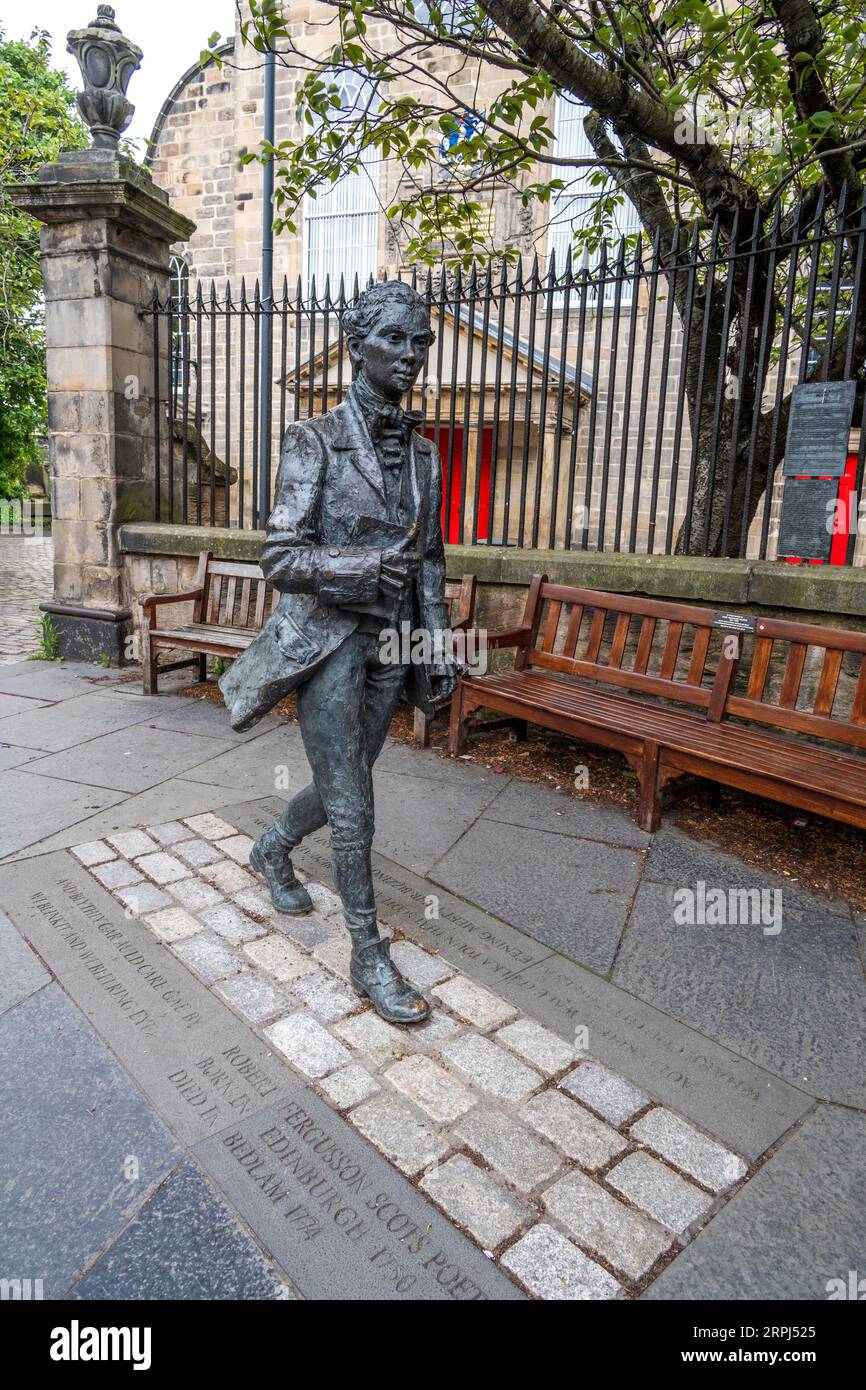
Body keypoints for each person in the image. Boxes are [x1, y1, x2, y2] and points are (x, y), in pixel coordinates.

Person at [220, 280, 455, 1024]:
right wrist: (354, 569)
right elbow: (281, 557)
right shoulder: (314, 440)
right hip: (325, 645)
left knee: (342, 782)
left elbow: (431, 560)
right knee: (354, 806)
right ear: (358, 347)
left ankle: (271, 848)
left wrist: (436, 642)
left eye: (421, 341)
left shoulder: (424, 454)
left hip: (390, 645)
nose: (412, 355)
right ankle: (367, 953)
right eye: (396, 339)